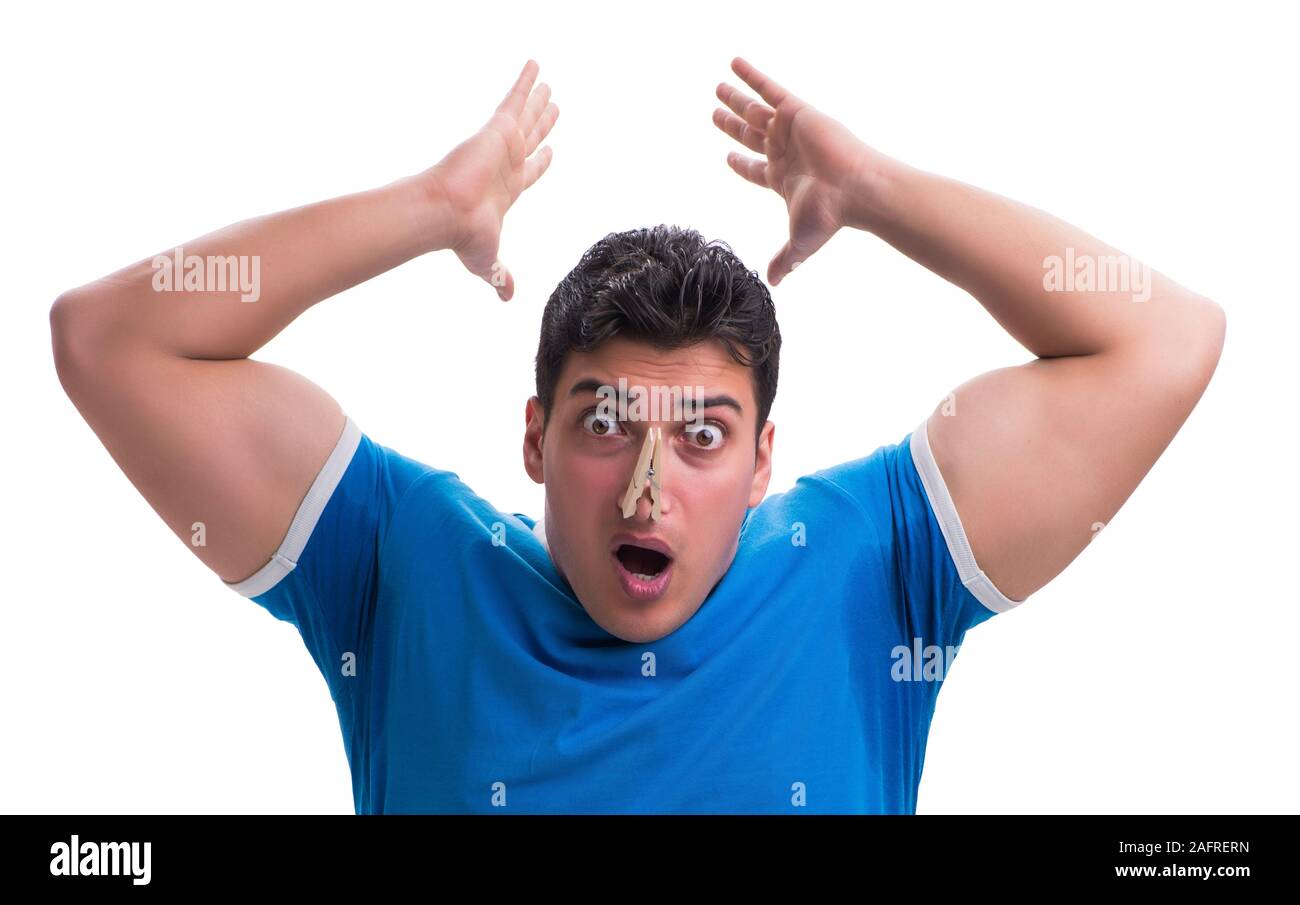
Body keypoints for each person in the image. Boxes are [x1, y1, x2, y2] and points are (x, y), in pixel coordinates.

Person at [49, 58, 1226, 814]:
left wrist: (874, 187)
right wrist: (427, 211)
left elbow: (1164, 340)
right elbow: (109, 340)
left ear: (765, 459)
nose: (646, 487)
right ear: (535, 438)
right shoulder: (399, 562)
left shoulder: (870, 567)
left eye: (704, 435)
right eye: (605, 423)